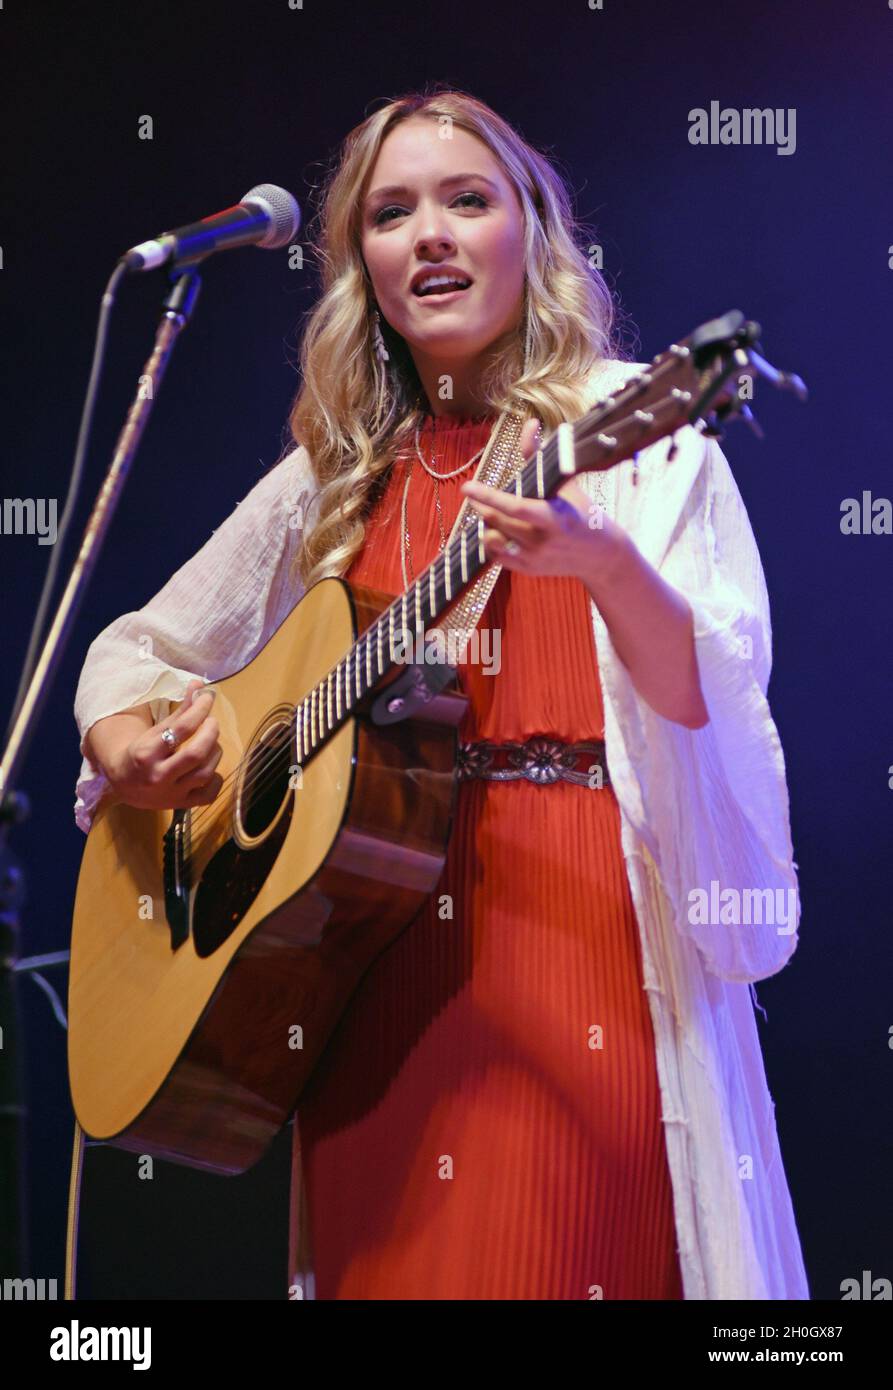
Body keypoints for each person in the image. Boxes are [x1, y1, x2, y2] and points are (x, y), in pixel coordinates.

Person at [73, 87, 809, 1300]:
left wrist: (603, 564)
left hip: (572, 953)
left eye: (467, 200)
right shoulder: (334, 474)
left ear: (532, 230)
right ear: (357, 264)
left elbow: (708, 695)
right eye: (389, 212)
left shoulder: (632, 429)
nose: (429, 234)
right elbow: (138, 644)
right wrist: (127, 736)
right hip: (361, 968)